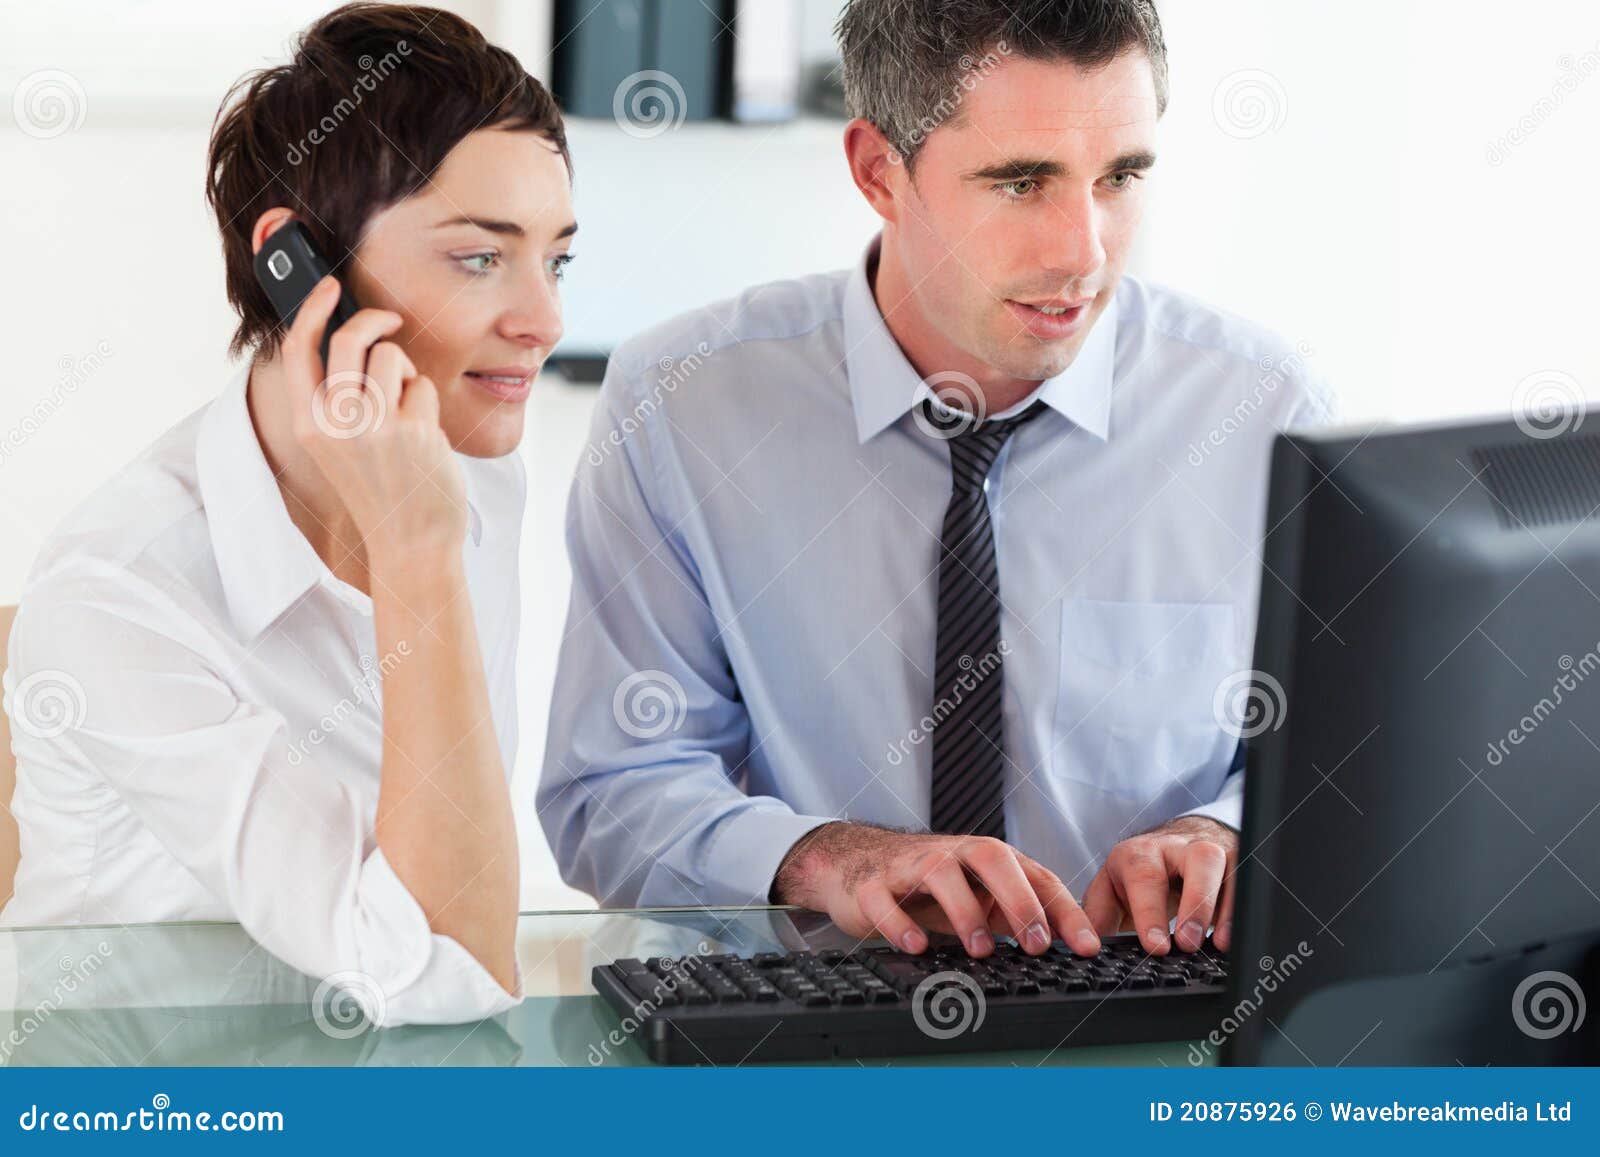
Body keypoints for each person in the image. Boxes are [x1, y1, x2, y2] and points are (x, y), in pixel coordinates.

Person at [540, 0, 1338, 964]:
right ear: (879, 170)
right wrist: (818, 857)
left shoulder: (1261, 409)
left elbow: (1355, 757)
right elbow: (608, 790)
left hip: (1157, 1043)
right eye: (1019, 182)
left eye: (1120, 176)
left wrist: (1230, 832)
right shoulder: (681, 404)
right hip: (823, 1052)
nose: (1082, 252)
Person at [1, 3, 575, 1025]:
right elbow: (447, 970)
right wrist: (416, 554)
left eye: (555, 257)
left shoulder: (463, 467)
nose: (543, 320)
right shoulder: (117, 598)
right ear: (297, 264)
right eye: (481, 257)